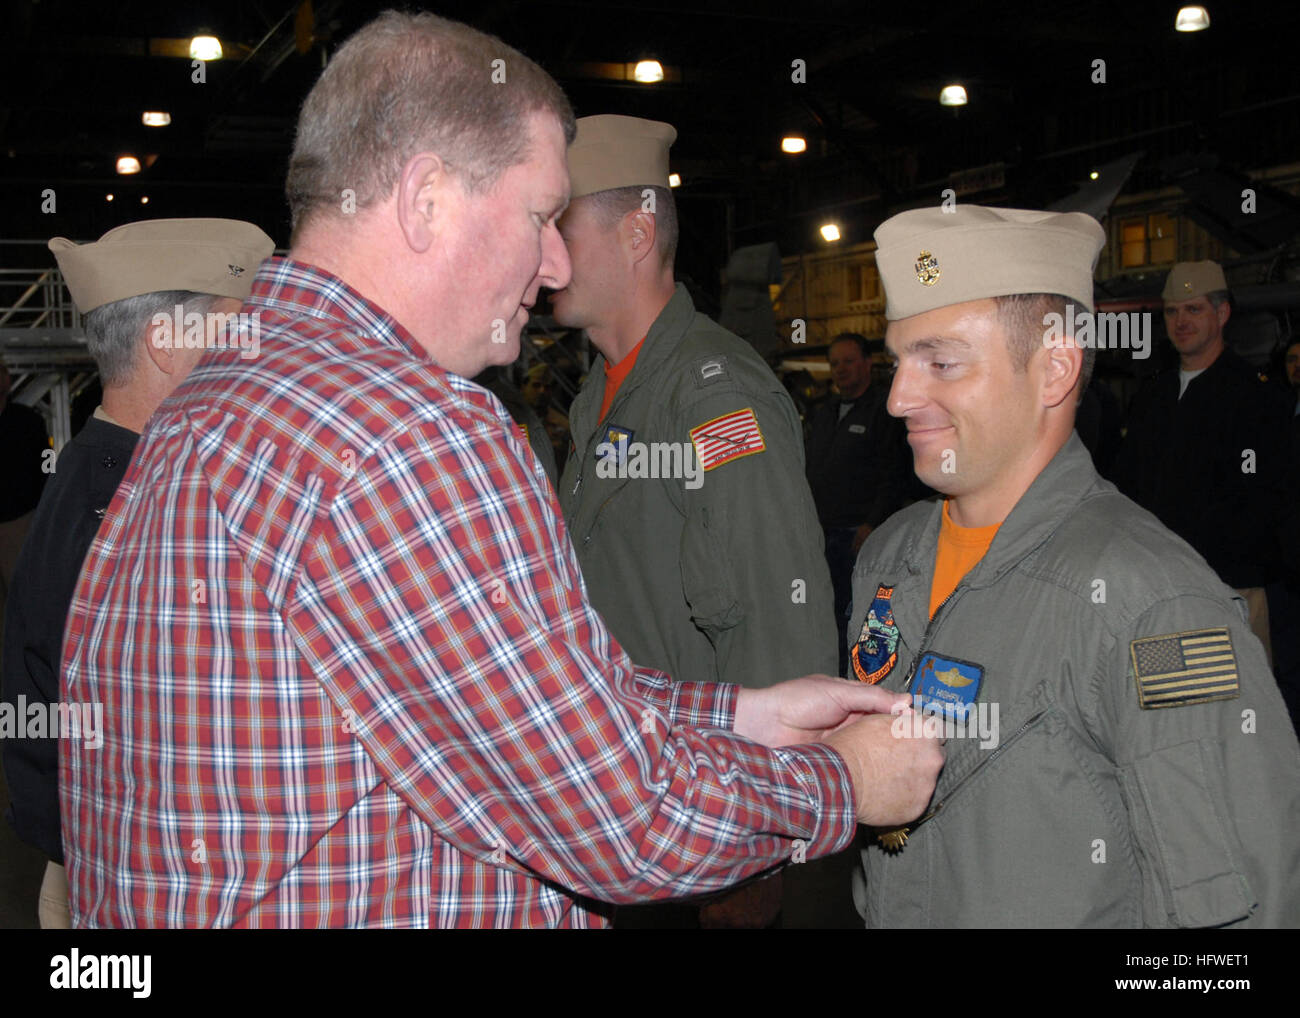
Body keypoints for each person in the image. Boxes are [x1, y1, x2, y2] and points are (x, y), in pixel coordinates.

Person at [58, 11, 943, 929]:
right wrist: (841, 781)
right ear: (427, 198)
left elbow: (494, 679)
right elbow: (618, 822)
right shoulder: (408, 432)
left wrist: (738, 716)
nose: (552, 259)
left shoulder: (219, 395)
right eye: (538, 215)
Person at [849, 205, 1300, 927]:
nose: (900, 397)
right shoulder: (890, 557)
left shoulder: (1157, 609)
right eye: (899, 359)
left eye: (941, 361)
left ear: (1054, 367)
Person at [0, 218, 274, 929]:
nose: (259, 349)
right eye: (238, 327)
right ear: (165, 344)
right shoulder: (138, 505)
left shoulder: (97, 473)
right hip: (128, 884)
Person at [554, 114, 837, 693]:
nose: (543, 261)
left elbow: (779, 633)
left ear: (637, 235)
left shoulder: (715, 397)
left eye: (560, 234)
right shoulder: (597, 400)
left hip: (699, 772)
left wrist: (760, 782)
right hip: (626, 765)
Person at [1112, 261, 1291, 662]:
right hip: (1155, 593)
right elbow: (1127, 485)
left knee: (1232, 709)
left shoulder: (1256, 399)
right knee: (1166, 707)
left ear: (1222, 313)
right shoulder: (1154, 396)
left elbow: (1264, 501)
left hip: (1227, 588)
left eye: (1193, 309)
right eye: (1172, 311)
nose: (1181, 321)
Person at [804, 333, 908, 675]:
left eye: (849, 361)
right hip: (821, 537)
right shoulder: (825, 412)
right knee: (824, 612)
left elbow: (893, 474)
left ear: (867, 363)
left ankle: (860, 678)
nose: (841, 369)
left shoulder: (884, 412)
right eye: (835, 363)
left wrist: (872, 524)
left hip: (858, 539)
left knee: (858, 615)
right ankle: (828, 675)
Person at [0, 363, 50, 644]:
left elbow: (47, 466)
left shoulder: (28, 422)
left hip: (19, 522)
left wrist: (41, 514)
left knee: (23, 602)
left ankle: (22, 673)